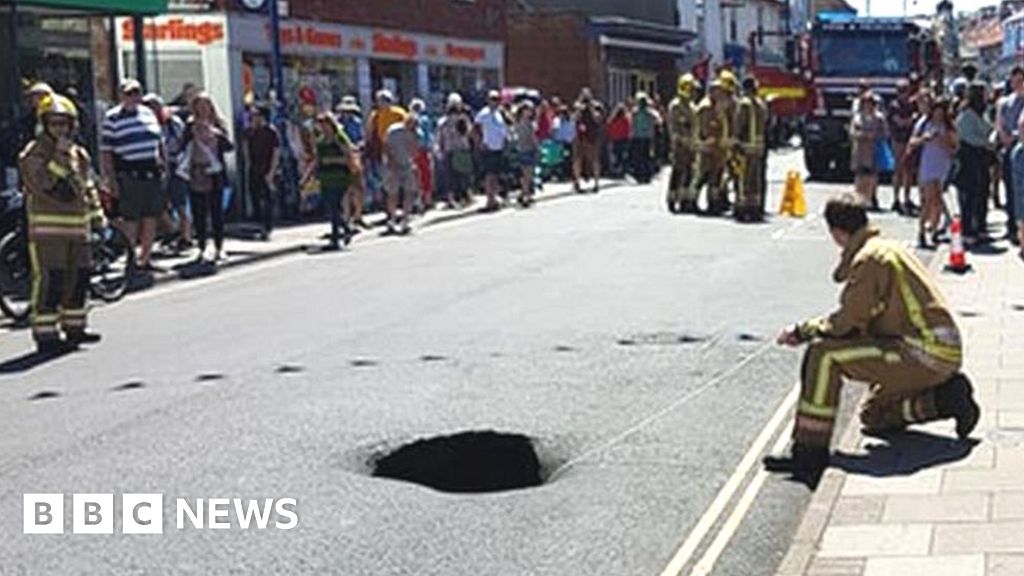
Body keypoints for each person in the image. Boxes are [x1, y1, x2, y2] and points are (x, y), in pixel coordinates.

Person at [765, 194, 980, 482]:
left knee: (823, 355)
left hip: (921, 351)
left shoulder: (870, 260)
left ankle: (809, 452)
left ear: (837, 233)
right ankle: (946, 399)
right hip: (941, 350)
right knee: (873, 416)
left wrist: (802, 331)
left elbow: (847, 321)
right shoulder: (887, 248)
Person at [19, 93, 104, 352]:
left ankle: (75, 327)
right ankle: (46, 334)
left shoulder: (80, 154)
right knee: (51, 281)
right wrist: (59, 156)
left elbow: (87, 187)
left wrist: (97, 218)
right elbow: (46, 185)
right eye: (54, 123)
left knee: (78, 280)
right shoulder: (33, 153)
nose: (60, 129)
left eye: (64, 123)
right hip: (48, 232)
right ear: (44, 124)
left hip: (78, 230)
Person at [100, 79, 165, 272]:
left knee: (151, 216)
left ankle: (145, 258)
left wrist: (164, 164)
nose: (133, 97)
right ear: (120, 95)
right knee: (131, 218)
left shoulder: (148, 114)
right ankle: (131, 259)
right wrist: (110, 179)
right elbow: (106, 151)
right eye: (128, 93)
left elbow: (159, 142)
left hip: (152, 171)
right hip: (129, 174)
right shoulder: (112, 118)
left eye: (136, 92)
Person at [180, 92, 234, 262]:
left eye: (206, 106)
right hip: (196, 172)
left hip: (215, 173)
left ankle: (219, 247)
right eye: (199, 106)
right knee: (199, 212)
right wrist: (194, 133)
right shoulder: (190, 125)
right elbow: (182, 145)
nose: (203, 110)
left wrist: (216, 135)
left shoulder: (218, 125)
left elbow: (229, 147)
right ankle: (201, 246)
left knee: (216, 211)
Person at [142, 93, 191, 252]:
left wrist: (181, 164)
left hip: (176, 167)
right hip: (156, 168)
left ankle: (186, 237)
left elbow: (183, 143)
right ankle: (172, 230)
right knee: (157, 204)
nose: (150, 109)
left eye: (153, 105)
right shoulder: (145, 123)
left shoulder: (173, 123)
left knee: (179, 203)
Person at [911, 98, 958, 249]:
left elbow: (954, 148)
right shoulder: (924, 124)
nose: (938, 115)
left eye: (941, 112)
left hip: (942, 164)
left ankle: (934, 229)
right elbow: (912, 142)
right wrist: (925, 138)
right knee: (928, 199)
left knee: (937, 200)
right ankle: (922, 230)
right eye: (936, 112)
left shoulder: (948, 127)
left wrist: (942, 141)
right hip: (927, 163)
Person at [303, 113, 355, 250]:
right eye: (320, 125)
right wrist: (306, 177)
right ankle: (346, 228)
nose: (323, 128)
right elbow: (316, 160)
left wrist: (333, 160)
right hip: (325, 176)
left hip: (340, 176)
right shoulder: (320, 141)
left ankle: (335, 238)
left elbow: (348, 156)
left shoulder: (339, 138)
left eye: (325, 124)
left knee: (334, 205)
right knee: (331, 206)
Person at [955, 83, 994, 244]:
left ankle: (980, 227)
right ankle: (967, 231)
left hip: (982, 157)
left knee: (982, 192)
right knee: (969, 194)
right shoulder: (966, 114)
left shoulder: (983, 113)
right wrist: (986, 142)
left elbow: (989, 129)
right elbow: (967, 136)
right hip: (968, 157)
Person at [734, 77, 770, 223]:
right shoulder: (761, 104)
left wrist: (735, 142)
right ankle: (756, 208)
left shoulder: (743, 104)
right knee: (757, 179)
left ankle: (743, 208)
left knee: (743, 180)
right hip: (759, 148)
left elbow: (738, 125)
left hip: (745, 147)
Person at [996, 67, 1024, 245]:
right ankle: (1013, 225)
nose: (1018, 84)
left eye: (1021, 80)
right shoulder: (1005, 102)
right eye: (1015, 81)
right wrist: (1005, 137)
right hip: (1010, 148)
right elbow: (1000, 124)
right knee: (1011, 188)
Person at [694, 81, 731, 214]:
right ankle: (693, 200)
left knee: (716, 176)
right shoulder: (706, 107)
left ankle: (714, 202)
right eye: (719, 91)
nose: (722, 94)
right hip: (709, 148)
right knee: (704, 175)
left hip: (718, 149)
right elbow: (706, 127)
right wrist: (709, 140)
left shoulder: (717, 105)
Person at [245, 105, 280, 240]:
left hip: (267, 169)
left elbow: (276, 152)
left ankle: (267, 226)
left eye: (256, 115)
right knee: (255, 196)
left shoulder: (271, 132)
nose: (253, 118)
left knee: (267, 199)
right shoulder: (251, 132)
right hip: (254, 169)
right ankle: (258, 225)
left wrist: (271, 172)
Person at [849, 91, 888, 208]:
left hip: (873, 150)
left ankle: (870, 198)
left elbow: (885, 133)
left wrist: (874, 135)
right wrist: (860, 135)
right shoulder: (857, 117)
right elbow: (852, 132)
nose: (868, 105)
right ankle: (858, 198)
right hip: (860, 150)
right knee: (859, 175)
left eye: (870, 102)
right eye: (866, 102)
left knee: (872, 176)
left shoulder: (879, 118)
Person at [667, 74, 699, 214]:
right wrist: (680, 140)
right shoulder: (676, 106)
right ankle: (672, 198)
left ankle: (685, 200)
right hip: (680, 145)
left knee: (690, 173)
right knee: (678, 171)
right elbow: (675, 126)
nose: (694, 93)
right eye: (692, 90)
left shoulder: (692, 106)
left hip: (691, 144)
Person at [336, 96, 368, 228]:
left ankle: (358, 216)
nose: (347, 113)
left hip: (355, 156)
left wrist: (358, 146)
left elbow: (361, 139)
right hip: (341, 158)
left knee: (358, 187)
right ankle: (346, 217)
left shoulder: (357, 122)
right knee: (345, 189)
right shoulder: (336, 123)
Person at [437, 94, 473, 208]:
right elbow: (468, 133)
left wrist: (440, 149)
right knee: (463, 175)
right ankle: (466, 197)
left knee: (450, 177)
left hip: (449, 150)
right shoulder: (463, 119)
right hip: (462, 149)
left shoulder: (442, 121)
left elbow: (440, 138)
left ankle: (451, 199)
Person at [474, 90, 508, 212]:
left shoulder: (499, 115)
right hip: (488, 147)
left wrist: (504, 142)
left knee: (496, 174)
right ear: (488, 100)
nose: (495, 102)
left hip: (498, 147)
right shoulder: (483, 114)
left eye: (497, 99)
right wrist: (480, 143)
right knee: (489, 175)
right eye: (493, 99)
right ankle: (489, 200)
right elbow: (475, 129)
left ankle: (494, 199)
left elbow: (503, 131)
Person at [888, 79, 918, 215]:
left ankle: (907, 198)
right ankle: (896, 198)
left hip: (910, 139)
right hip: (898, 140)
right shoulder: (894, 105)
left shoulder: (912, 105)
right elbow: (900, 122)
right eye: (901, 91)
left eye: (906, 90)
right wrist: (911, 119)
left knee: (909, 170)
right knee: (898, 169)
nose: (904, 94)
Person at [572, 88, 602, 194]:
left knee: (594, 159)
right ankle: (577, 182)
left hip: (591, 137)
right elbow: (574, 119)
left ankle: (596, 183)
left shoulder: (596, 106)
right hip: (580, 137)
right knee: (577, 160)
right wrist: (578, 110)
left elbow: (598, 119)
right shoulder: (577, 106)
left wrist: (591, 109)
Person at [630, 92, 660, 185]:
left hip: (638, 137)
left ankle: (640, 175)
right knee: (646, 156)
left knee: (640, 157)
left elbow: (632, 123)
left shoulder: (635, 112)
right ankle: (646, 175)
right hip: (646, 137)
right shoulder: (650, 113)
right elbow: (658, 121)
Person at [513, 101, 539, 207]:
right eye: (527, 110)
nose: (529, 112)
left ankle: (524, 193)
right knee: (526, 174)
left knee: (529, 173)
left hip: (529, 149)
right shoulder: (522, 123)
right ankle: (526, 195)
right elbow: (529, 137)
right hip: (525, 149)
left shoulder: (529, 122)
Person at [606, 103, 631, 179]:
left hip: (615, 139)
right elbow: (628, 129)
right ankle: (622, 171)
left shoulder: (612, 120)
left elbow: (608, 128)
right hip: (623, 139)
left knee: (615, 155)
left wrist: (610, 136)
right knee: (623, 156)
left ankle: (615, 171)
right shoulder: (625, 119)